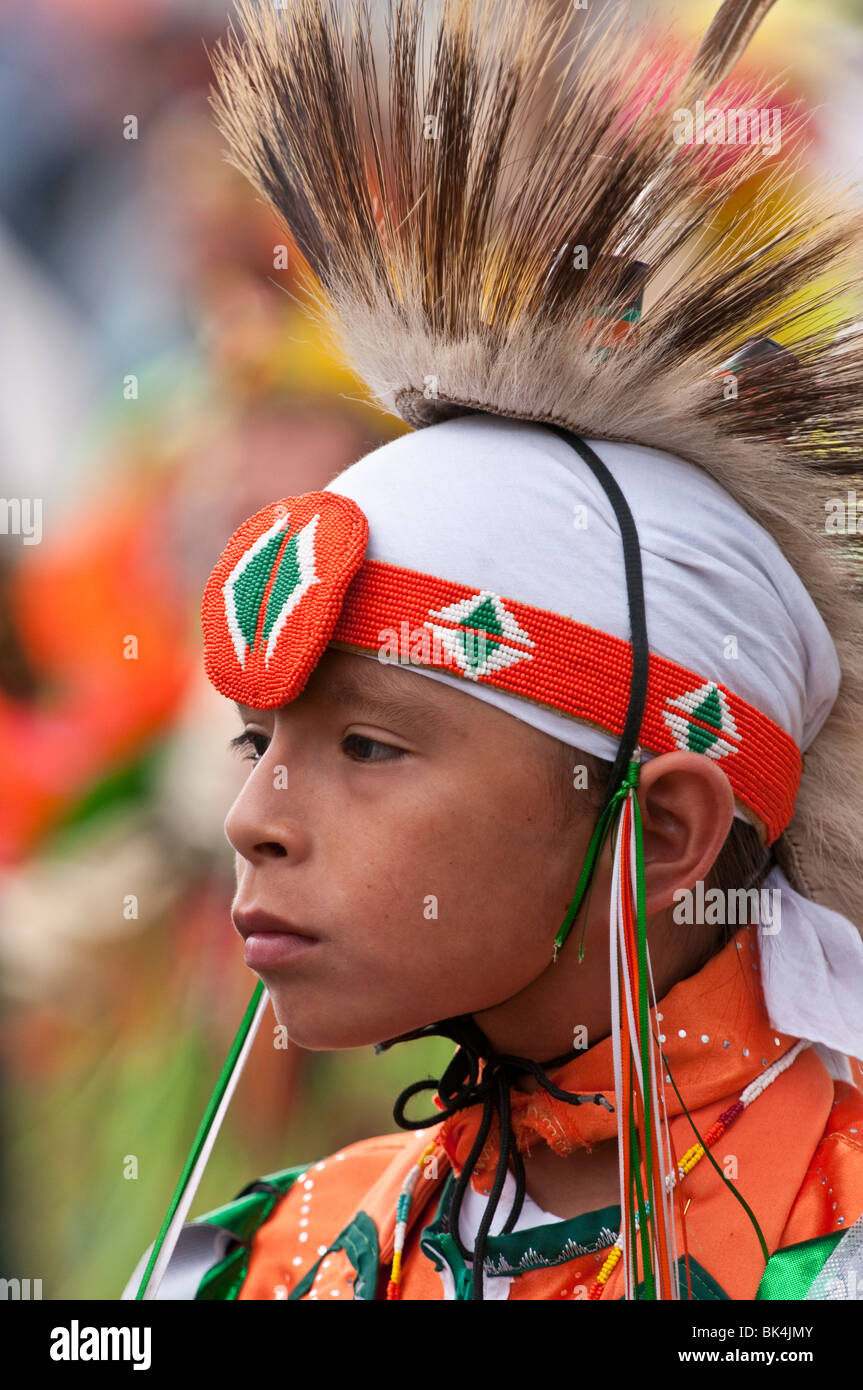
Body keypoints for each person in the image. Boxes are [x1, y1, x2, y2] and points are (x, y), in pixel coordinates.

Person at [125, 0, 863, 1301]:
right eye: (260, 742)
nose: (253, 819)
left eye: (364, 742)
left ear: (665, 831)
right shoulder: (266, 1262)